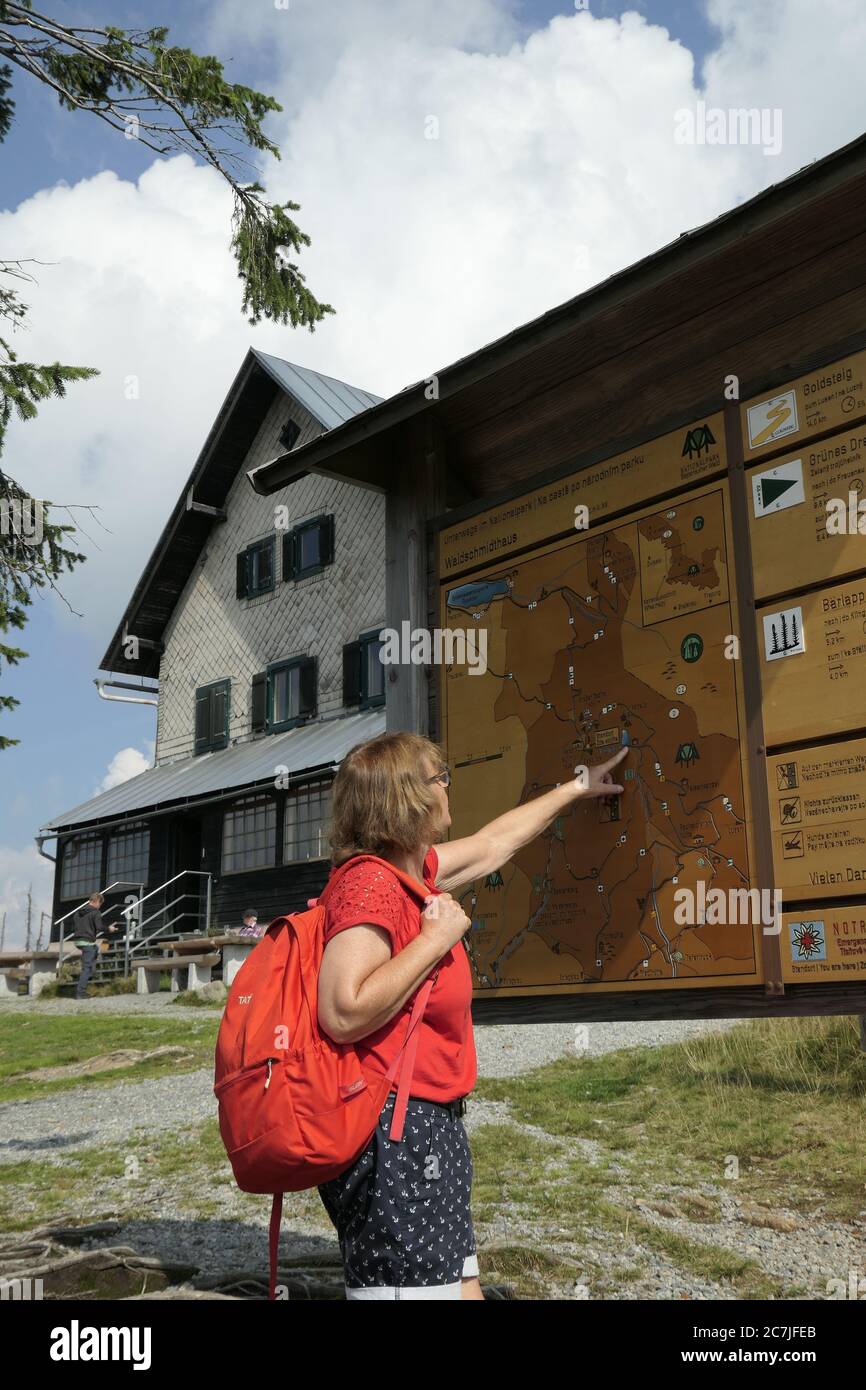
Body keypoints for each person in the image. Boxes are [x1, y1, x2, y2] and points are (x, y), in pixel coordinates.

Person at [315, 729, 627, 1301]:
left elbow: (490, 845)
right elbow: (342, 1009)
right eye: (439, 778)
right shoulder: (369, 886)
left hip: (429, 1128)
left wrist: (576, 790)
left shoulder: (412, 874)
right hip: (395, 1140)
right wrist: (435, 941)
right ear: (408, 797)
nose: (447, 787)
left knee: (463, 1291)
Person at [71, 892, 118, 1000]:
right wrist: (109, 929)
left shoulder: (78, 912)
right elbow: (99, 927)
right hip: (87, 941)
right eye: (100, 904)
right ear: (97, 901)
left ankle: (91, 972)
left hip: (78, 941)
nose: (100, 906)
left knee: (95, 948)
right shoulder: (96, 912)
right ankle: (80, 993)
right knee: (86, 968)